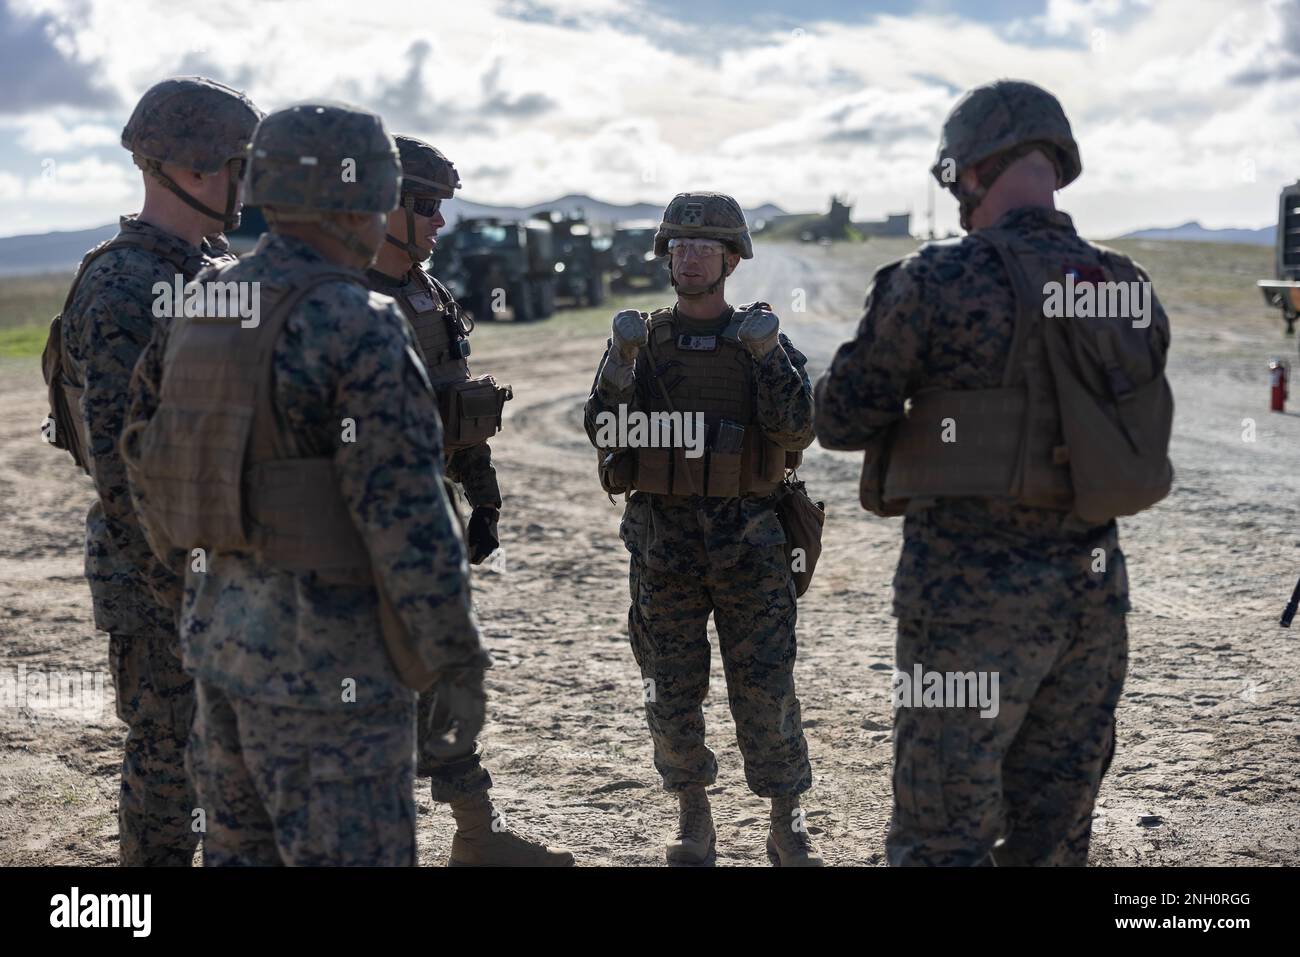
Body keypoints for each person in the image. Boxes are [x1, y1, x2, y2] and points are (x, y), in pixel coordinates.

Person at [815, 79, 1172, 866]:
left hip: (966, 601)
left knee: (942, 837)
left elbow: (841, 418)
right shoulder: (1126, 288)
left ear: (972, 171)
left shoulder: (934, 279)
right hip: (1093, 599)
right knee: (1053, 839)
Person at [123, 102, 486, 866]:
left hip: (220, 654)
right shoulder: (359, 322)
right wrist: (455, 662)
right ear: (359, 198)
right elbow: (411, 524)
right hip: (336, 675)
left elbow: (144, 466)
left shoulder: (199, 303)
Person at [50, 75, 260, 866]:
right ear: (199, 166)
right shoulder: (124, 287)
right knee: (172, 773)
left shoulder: (215, 267)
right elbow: (122, 474)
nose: (247, 182)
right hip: (159, 583)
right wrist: (190, 596)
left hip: (230, 567)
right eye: (238, 164)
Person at [583, 192, 821, 866]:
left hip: (750, 541)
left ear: (731, 257)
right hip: (665, 544)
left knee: (768, 685)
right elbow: (602, 430)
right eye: (678, 244)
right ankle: (693, 814)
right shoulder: (643, 339)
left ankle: (786, 817)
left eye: (703, 244)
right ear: (665, 254)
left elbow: (797, 429)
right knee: (670, 685)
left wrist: (770, 355)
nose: (688, 256)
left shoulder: (761, 337)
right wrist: (621, 363)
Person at [365, 134, 570, 866]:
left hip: (435, 523)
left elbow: (462, 413)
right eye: (426, 207)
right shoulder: (346, 299)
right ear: (379, 205)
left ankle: (476, 835)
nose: (440, 223)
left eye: (441, 207)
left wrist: (484, 504)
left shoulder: (428, 292)